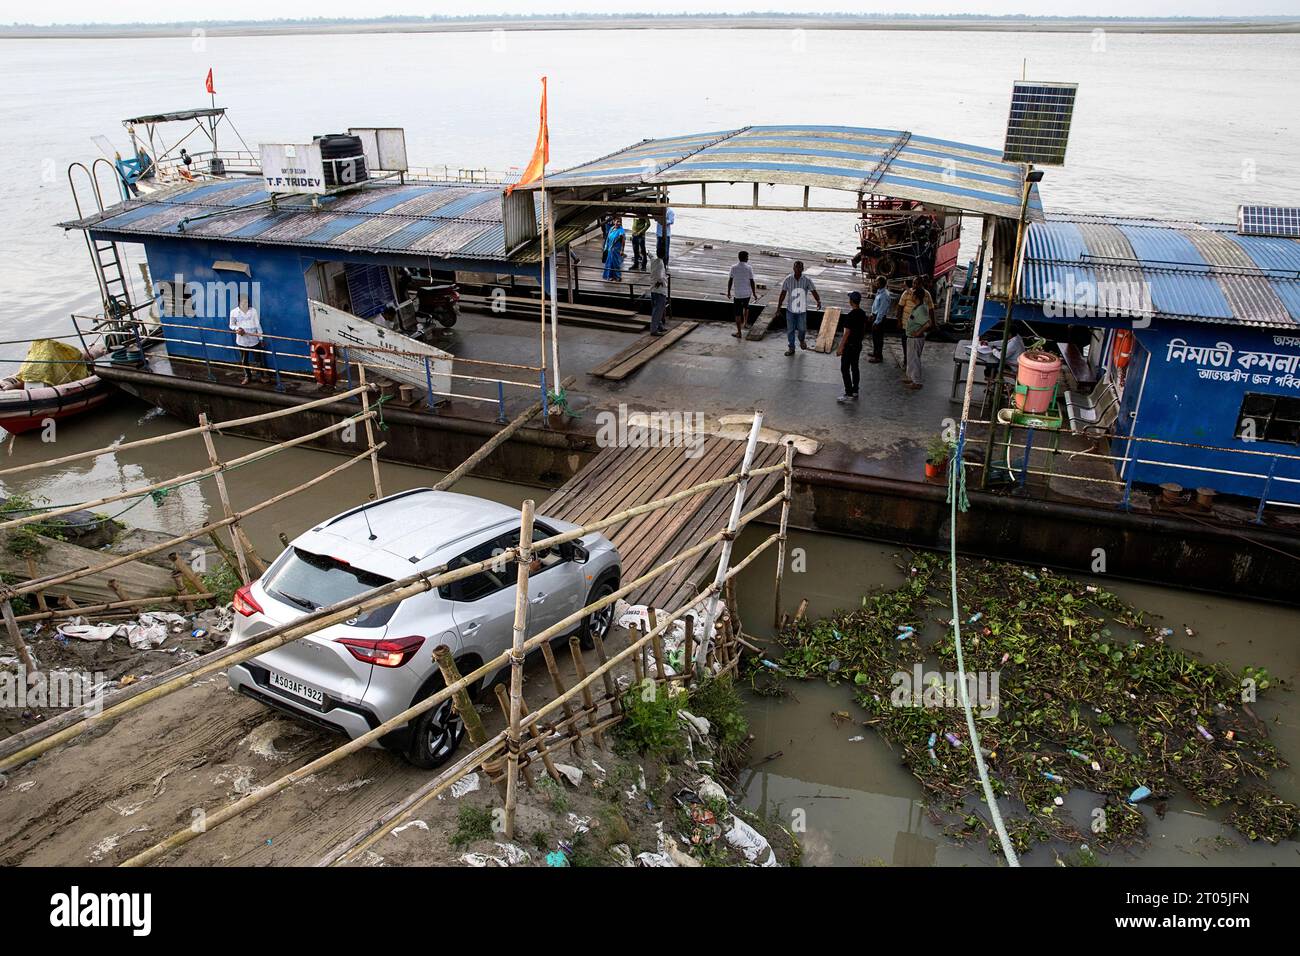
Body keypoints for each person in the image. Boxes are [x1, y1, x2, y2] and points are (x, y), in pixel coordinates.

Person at [775, 260, 821, 355]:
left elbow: (813, 291)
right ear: (793, 268)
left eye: (800, 268)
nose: (798, 269)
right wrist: (778, 308)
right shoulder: (788, 279)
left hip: (802, 310)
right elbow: (783, 294)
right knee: (790, 330)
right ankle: (791, 348)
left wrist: (818, 301)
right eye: (796, 267)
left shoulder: (807, 280)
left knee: (802, 329)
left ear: (802, 269)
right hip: (790, 310)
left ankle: (801, 340)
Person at [900, 277, 935, 390]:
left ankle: (917, 381)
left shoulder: (921, 309)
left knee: (915, 359)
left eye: (913, 295)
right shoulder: (919, 305)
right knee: (910, 358)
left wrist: (918, 332)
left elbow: (928, 323)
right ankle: (911, 377)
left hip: (916, 338)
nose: (911, 296)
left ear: (916, 297)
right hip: (911, 337)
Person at [835, 290, 867, 403]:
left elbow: (846, 333)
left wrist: (840, 347)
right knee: (855, 367)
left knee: (844, 368)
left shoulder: (850, 316)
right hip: (858, 345)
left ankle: (848, 392)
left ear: (851, 301)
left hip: (849, 345)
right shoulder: (862, 314)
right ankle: (855, 390)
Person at [229, 294, 267, 385]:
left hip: (254, 340)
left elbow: (258, 325)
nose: (246, 304)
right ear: (239, 302)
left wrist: (261, 338)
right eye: (243, 302)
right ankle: (247, 376)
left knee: (258, 359)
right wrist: (237, 329)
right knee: (244, 360)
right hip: (241, 341)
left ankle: (261, 376)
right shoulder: (233, 312)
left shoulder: (253, 311)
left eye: (247, 302)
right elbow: (231, 325)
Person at [726, 250, 756, 339]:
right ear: (745, 258)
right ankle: (745, 323)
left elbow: (730, 280)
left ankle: (739, 332)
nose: (748, 258)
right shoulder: (749, 268)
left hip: (738, 294)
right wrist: (754, 293)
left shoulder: (733, 267)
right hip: (747, 293)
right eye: (747, 257)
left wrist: (728, 292)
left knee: (737, 314)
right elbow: (752, 281)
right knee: (746, 307)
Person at [869, 275, 892, 364]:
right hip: (875, 315)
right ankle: (875, 353)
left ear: (881, 284)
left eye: (876, 282)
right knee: (875, 337)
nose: (875, 283)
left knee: (878, 338)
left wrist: (877, 321)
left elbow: (882, 310)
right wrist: (872, 314)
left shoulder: (884, 295)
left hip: (880, 318)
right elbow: (875, 305)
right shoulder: (879, 292)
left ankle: (878, 356)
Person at [649, 253, 670, 336]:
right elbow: (660, 277)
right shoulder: (660, 263)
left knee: (657, 309)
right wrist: (662, 281)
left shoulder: (654, 259)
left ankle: (659, 325)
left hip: (653, 289)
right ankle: (654, 329)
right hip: (660, 290)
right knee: (658, 310)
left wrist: (649, 253)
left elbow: (650, 255)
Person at [603, 217, 626, 281]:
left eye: (620, 222)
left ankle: (618, 277)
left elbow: (623, 241)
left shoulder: (621, 230)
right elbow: (608, 238)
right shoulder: (611, 228)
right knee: (609, 262)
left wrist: (622, 250)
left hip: (616, 249)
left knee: (616, 263)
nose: (618, 223)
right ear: (614, 221)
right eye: (617, 221)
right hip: (610, 248)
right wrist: (606, 247)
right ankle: (609, 276)